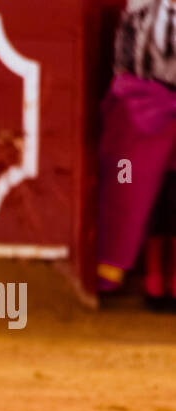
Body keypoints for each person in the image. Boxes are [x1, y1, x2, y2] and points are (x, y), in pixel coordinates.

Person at [98, 0, 176, 306]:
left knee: (169, 197)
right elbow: (131, 61)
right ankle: (154, 282)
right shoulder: (143, 7)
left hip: (147, 107)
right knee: (139, 191)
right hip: (147, 107)